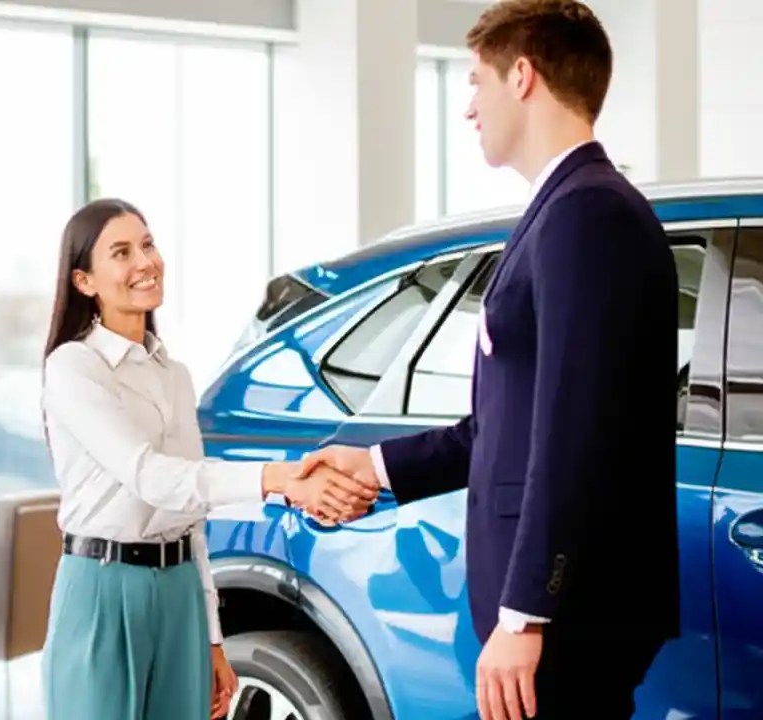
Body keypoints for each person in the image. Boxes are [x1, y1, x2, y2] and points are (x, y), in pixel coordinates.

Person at [304, 2, 680, 719]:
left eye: (475, 81)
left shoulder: (587, 215)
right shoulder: (568, 209)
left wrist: (527, 613)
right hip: (558, 618)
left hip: (567, 622)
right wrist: (377, 465)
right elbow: (502, 428)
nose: (468, 108)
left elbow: (577, 434)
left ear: (523, 76)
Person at [39, 198, 370, 720]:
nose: (145, 262)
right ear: (85, 281)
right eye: (121, 252)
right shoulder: (74, 368)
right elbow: (151, 477)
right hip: (104, 590)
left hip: (179, 595)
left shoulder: (174, 374)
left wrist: (212, 637)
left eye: (147, 244)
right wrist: (280, 478)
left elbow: (190, 513)